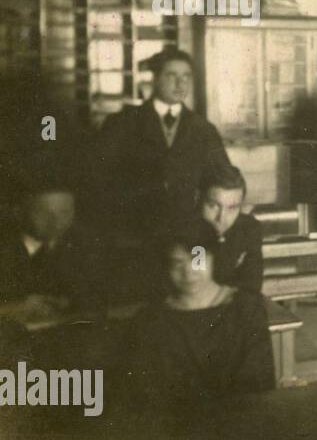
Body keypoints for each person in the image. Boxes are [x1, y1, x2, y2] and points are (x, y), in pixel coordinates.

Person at [122, 222, 276, 403]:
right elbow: (144, 393)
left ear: (212, 257)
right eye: (177, 263)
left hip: (237, 421)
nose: (188, 273)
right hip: (173, 426)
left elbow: (259, 385)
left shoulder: (246, 308)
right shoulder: (150, 319)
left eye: (197, 259)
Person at [94, 47, 230, 230]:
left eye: (186, 77)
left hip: (185, 232)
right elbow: (100, 179)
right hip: (133, 231)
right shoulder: (122, 123)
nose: (180, 84)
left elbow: (222, 178)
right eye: (171, 76)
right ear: (155, 79)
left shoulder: (204, 129)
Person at [0, 181, 104, 325]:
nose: (56, 221)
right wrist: (18, 306)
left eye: (65, 212)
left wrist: (67, 302)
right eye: (43, 213)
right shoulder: (5, 245)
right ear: (18, 213)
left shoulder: (85, 244)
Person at [199, 163, 263, 295]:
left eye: (232, 208)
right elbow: (197, 286)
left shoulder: (250, 229)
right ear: (197, 198)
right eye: (213, 206)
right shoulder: (188, 232)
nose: (221, 218)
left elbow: (252, 284)